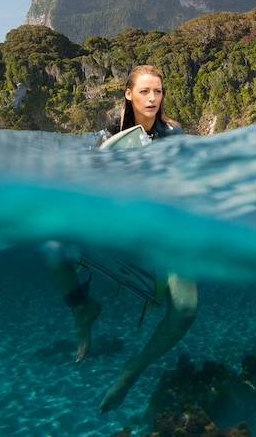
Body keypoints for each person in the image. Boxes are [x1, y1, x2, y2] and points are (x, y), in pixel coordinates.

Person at [49, 65, 196, 413]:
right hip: (121, 228)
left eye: (158, 91)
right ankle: (82, 308)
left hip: (165, 231)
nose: (152, 98)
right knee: (51, 242)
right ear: (129, 94)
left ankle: (132, 370)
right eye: (144, 91)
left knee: (186, 309)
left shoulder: (173, 134)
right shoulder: (107, 135)